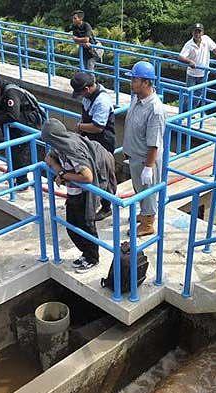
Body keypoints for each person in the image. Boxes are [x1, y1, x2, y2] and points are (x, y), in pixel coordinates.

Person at [40, 118, 116, 271]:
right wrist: (58, 168)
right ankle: (86, 253)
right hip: (73, 191)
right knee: (72, 226)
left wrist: (63, 174)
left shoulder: (71, 149)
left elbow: (88, 177)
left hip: (84, 192)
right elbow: (49, 158)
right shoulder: (60, 145)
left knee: (86, 224)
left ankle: (92, 257)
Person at [0, 68, 45, 185]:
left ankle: (22, 182)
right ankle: (13, 173)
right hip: (12, 125)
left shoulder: (10, 92)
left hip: (26, 123)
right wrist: (2, 114)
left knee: (18, 152)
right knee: (12, 149)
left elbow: (13, 115)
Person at [122, 61, 166, 237]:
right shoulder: (136, 98)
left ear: (146, 82)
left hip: (145, 159)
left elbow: (154, 143)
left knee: (148, 192)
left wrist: (149, 167)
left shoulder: (155, 110)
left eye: (135, 79)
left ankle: (148, 223)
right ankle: (144, 213)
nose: (131, 82)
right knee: (139, 189)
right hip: (134, 156)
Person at [70, 71, 116, 220]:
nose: (81, 96)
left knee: (104, 174)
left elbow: (98, 127)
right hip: (90, 141)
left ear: (87, 89)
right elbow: (85, 116)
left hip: (103, 143)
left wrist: (80, 127)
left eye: (81, 93)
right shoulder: (88, 97)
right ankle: (90, 202)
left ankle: (107, 206)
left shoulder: (101, 101)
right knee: (90, 171)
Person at [178, 23, 216, 109]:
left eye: (199, 32)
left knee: (199, 94)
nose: (197, 34)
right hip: (192, 74)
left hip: (204, 73)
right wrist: (189, 61)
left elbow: (215, 50)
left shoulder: (206, 39)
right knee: (189, 94)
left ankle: (191, 111)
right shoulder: (189, 44)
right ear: (192, 32)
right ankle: (183, 113)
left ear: (202, 32)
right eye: (195, 31)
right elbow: (180, 57)